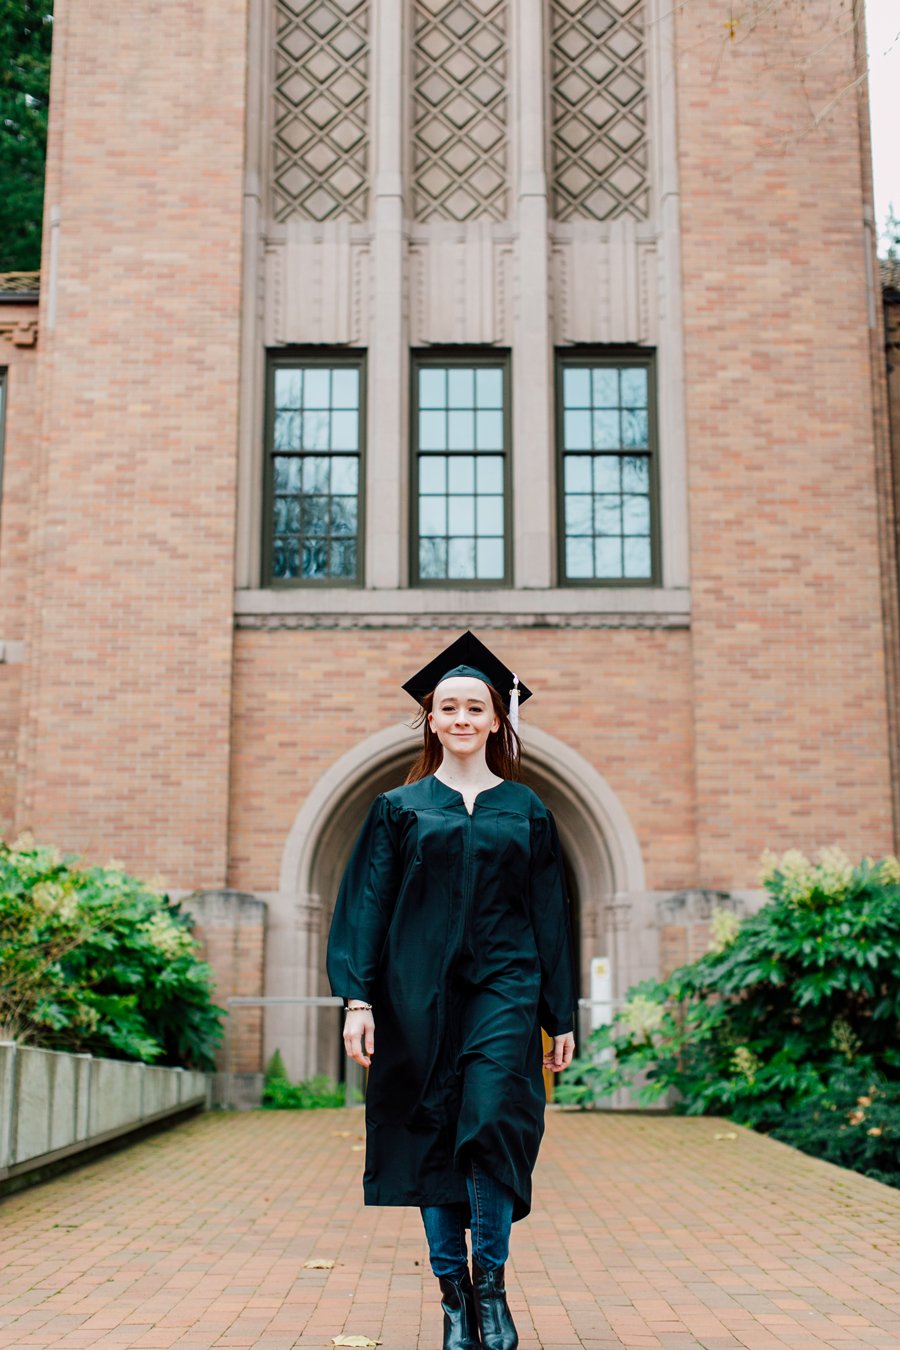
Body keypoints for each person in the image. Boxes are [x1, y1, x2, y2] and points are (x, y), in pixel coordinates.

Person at [326, 630, 577, 1350]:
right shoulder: (398, 809)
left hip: (505, 984)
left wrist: (560, 1013)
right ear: (431, 720)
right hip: (414, 994)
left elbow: (549, 917)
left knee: (493, 1121)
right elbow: (367, 906)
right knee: (432, 1132)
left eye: (476, 707)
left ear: (498, 719)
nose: (462, 718)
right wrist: (359, 999)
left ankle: (491, 1287)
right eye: (449, 708)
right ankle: (452, 1296)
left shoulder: (527, 810)